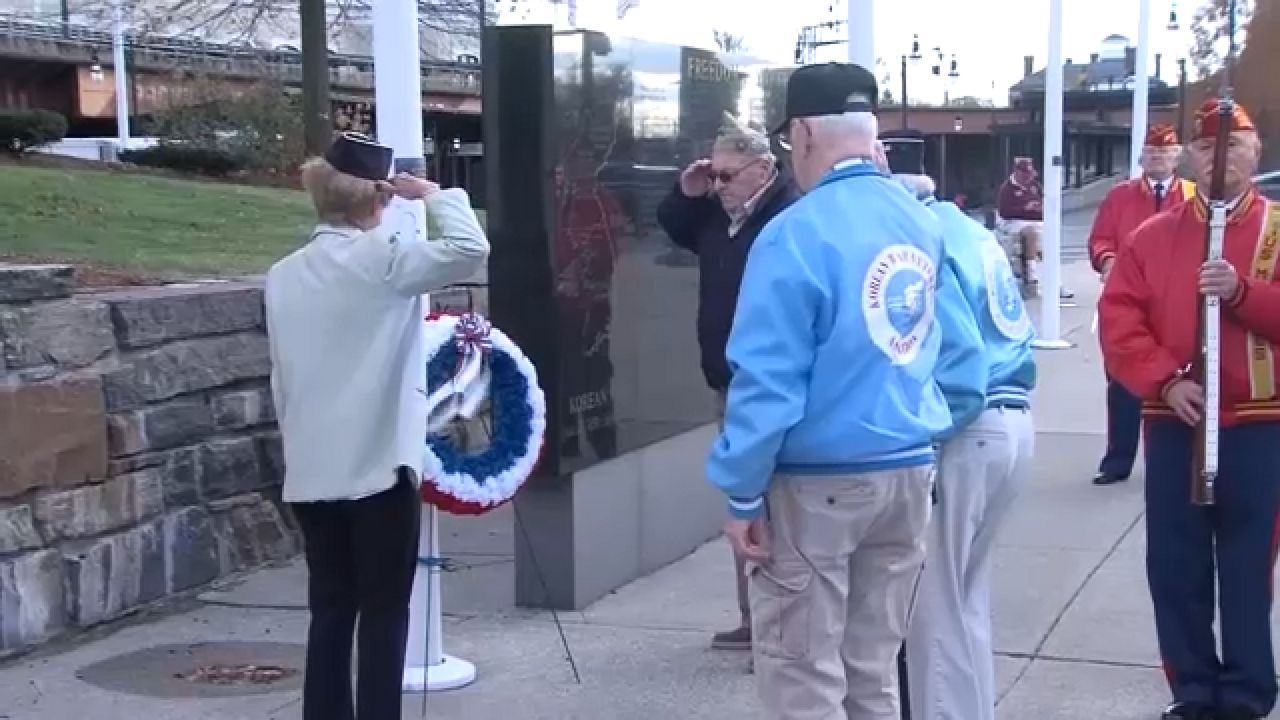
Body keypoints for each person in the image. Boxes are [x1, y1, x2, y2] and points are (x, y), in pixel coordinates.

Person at [708, 62, 953, 719]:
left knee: (803, 679)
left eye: (790, 144)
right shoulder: (920, 221)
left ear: (806, 132)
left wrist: (741, 488)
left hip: (817, 481)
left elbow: (767, 379)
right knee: (871, 673)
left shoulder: (793, 233)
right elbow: (947, 344)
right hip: (906, 466)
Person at [264, 132, 489, 720]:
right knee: (385, 613)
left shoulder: (282, 275)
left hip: (312, 466)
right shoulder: (383, 260)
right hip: (378, 469)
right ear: (377, 200)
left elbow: (281, 376)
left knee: (331, 610)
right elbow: (470, 246)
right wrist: (435, 193)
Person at [1098, 98, 1280, 720]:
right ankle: (1193, 689)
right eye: (1207, 147)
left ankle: (1250, 691)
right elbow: (1119, 321)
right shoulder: (1153, 236)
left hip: (1260, 424)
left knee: (1249, 566)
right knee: (1175, 565)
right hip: (1176, 420)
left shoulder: (1278, 230)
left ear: (1256, 152)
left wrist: (1243, 293)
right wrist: (1166, 381)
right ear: (1191, 158)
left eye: (1233, 145)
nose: (1220, 156)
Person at [882, 136, 1037, 720]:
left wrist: (922, 437)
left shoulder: (919, 237)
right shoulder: (967, 228)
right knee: (966, 603)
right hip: (1013, 416)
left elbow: (959, 364)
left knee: (934, 615)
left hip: (966, 429)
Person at [656, 110, 801, 653]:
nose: (717, 186)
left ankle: (777, 626)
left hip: (767, 381)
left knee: (772, 507)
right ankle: (754, 620)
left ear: (763, 168)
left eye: (727, 175)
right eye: (712, 175)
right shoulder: (720, 215)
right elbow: (675, 226)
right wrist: (687, 192)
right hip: (727, 378)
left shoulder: (786, 214)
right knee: (745, 505)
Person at [1088, 122, 1195, 486]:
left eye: (1164, 153)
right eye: (1151, 153)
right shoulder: (1120, 196)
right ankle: (1117, 461)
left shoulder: (1193, 195)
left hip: (1175, 305)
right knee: (1123, 380)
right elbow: (1100, 238)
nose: (1158, 159)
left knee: (1180, 378)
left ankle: (1175, 463)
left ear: (1177, 156)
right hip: (1129, 299)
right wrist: (1107, 262)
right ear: (1141, 157)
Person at [996, 158, 1074, 300]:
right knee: (1031, 232)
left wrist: (1039, 209)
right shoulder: (1007, 189)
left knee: (1049, 240)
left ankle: (1055, 284)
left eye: (1030, 174)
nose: (1028, 177)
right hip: (1014, 222)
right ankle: (1032, 276)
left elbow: (1043, 206)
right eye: (1025, 174)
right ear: (1017, 172)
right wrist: (1025, 209)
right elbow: (1004, 212)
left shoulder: (1035, 186)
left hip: (1036, 220)